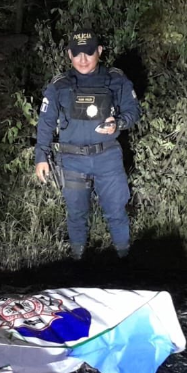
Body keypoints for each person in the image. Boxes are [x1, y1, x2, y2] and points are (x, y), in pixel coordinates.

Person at [34, 29, 141, 260]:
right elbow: (45, 123)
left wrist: (119, 123)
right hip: (72, 160)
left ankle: (125, 259)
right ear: (69, 54)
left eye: (89, 53)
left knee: (116, 211)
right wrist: (40, 156)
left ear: (99, 52)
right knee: (76, 213)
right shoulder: (59, 86)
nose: (83, 60)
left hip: (107, 157)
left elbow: (133, 111)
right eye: (77, 54)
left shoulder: (116, 79)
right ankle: (78, 261)